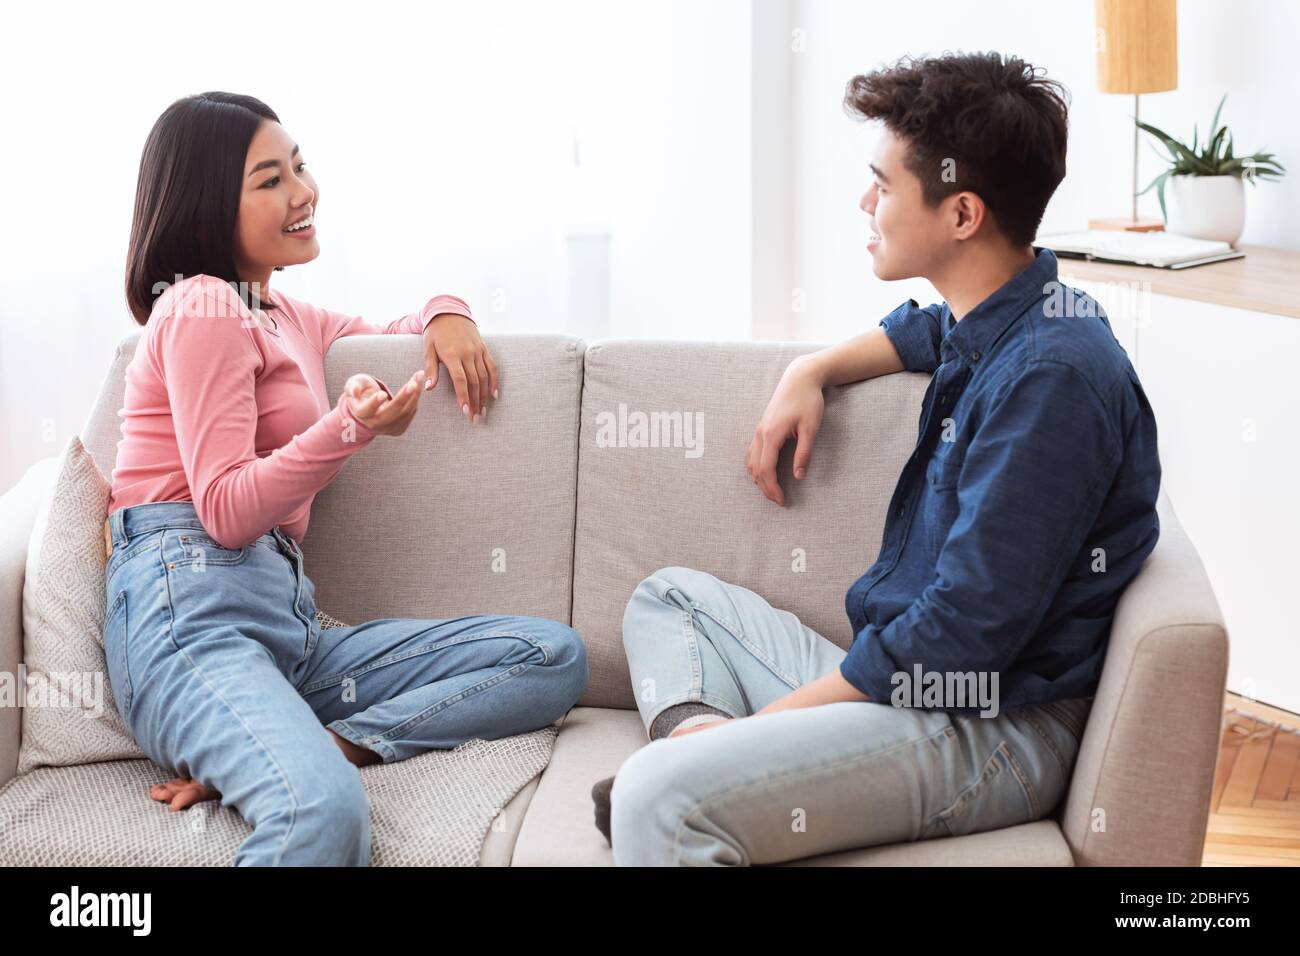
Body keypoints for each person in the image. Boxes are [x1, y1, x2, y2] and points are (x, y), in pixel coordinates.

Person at [590, 52, 1161, 865]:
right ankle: (717, 756)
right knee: (669, 598)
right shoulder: (1013, 311)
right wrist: (810, 369)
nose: (865, 201)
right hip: (906, 690)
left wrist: (749, 738)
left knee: (656, 794)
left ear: (962, 213)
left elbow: (961, 638)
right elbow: (922, 332)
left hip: (985, 727)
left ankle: (700, 772)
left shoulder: (1053, 381)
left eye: (883, 184)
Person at [105, 92, 587, 866]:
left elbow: (394, 333)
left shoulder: (288, 314)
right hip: (189, 622)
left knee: (552, 656)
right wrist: (348, 429)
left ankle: (324, 745)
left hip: (286, 634)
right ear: (206, 202)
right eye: (269, 180)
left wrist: (446, 313)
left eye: (299, 166)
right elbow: (225, 511)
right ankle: (297, 767)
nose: (303, 192)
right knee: (323, 822)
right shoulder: (200, 306)